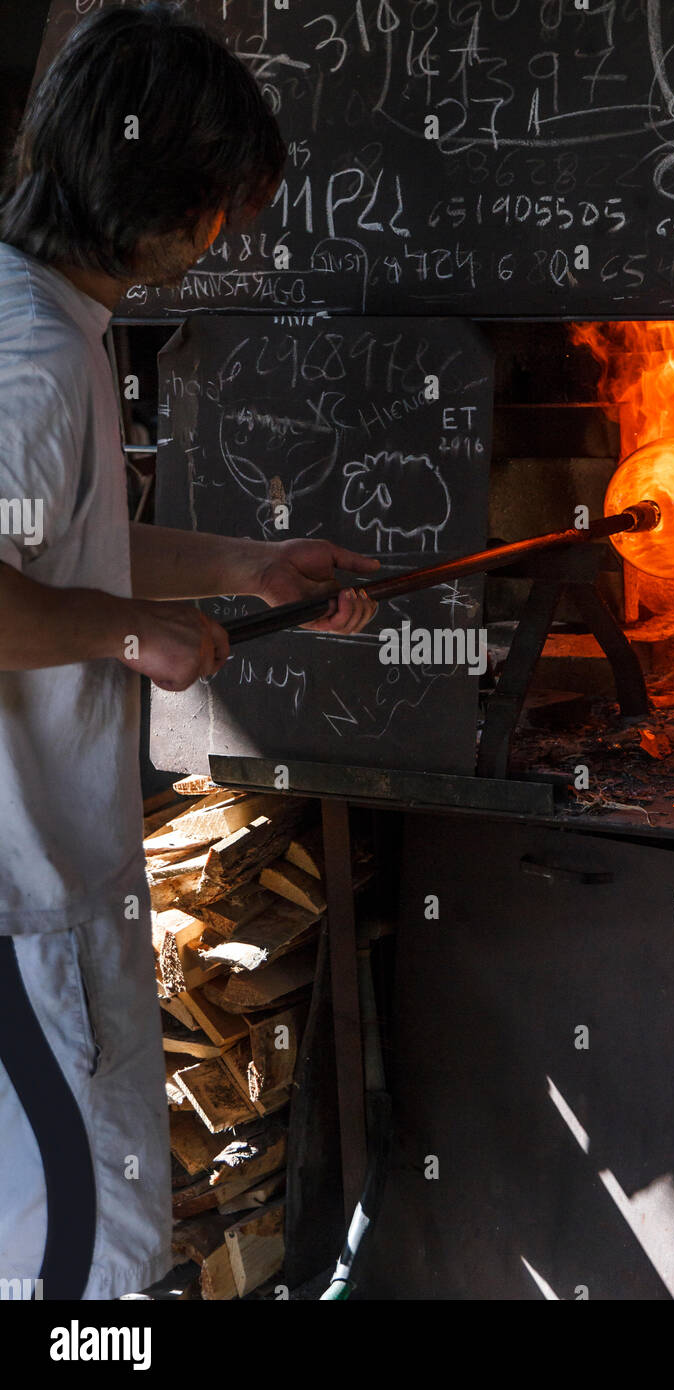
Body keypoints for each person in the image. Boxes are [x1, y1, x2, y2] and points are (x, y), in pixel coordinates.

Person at [0, 3, 378, 1300]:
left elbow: (51, 550)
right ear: (171, 204)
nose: (225, 236)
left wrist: (240, 567)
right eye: (223, 205)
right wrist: (122, 630)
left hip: (47, 894)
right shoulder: (38, 357)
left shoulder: (40, 320)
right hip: (22, 910)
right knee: (80, 1266)